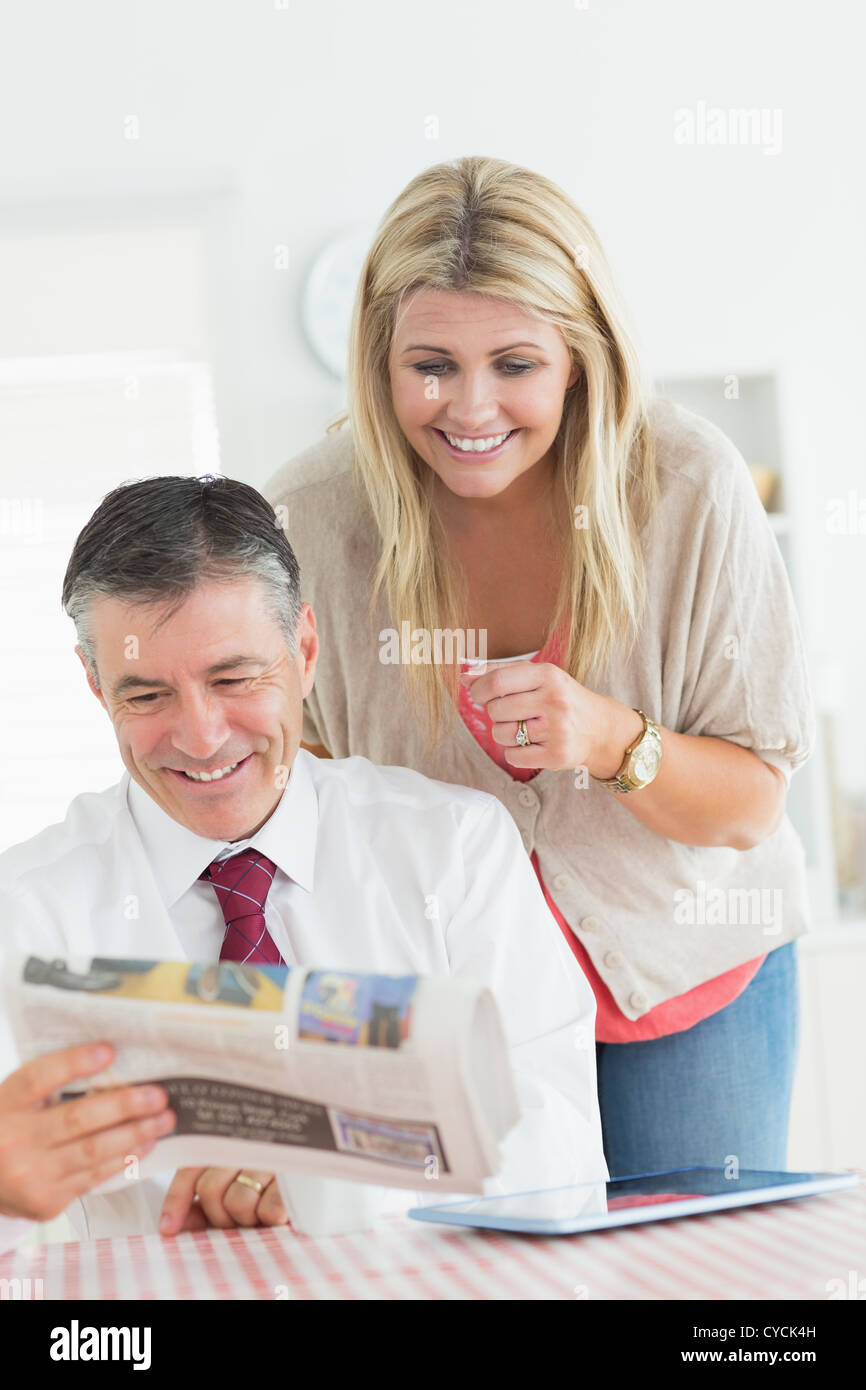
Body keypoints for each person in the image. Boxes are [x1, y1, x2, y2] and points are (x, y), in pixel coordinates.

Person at [265, 154, 815, 1178]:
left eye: (513, 364)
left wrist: (613, 742)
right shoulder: (308, 518)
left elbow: (749, 805)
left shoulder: (688, 484)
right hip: (453, 1018)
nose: (469, 409)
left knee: (699, 1304)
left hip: (685, 980)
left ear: (578, 355)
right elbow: (296, 797)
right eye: (430, 364)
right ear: (379, 361)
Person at [0, 474, 605, 1254]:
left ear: (306, 651)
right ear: (95, 687)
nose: (202, 735)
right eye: (147, 696)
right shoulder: (23, 911)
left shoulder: (455, 850)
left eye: (234, 678)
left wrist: (340, 1175)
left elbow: (560, 1159)